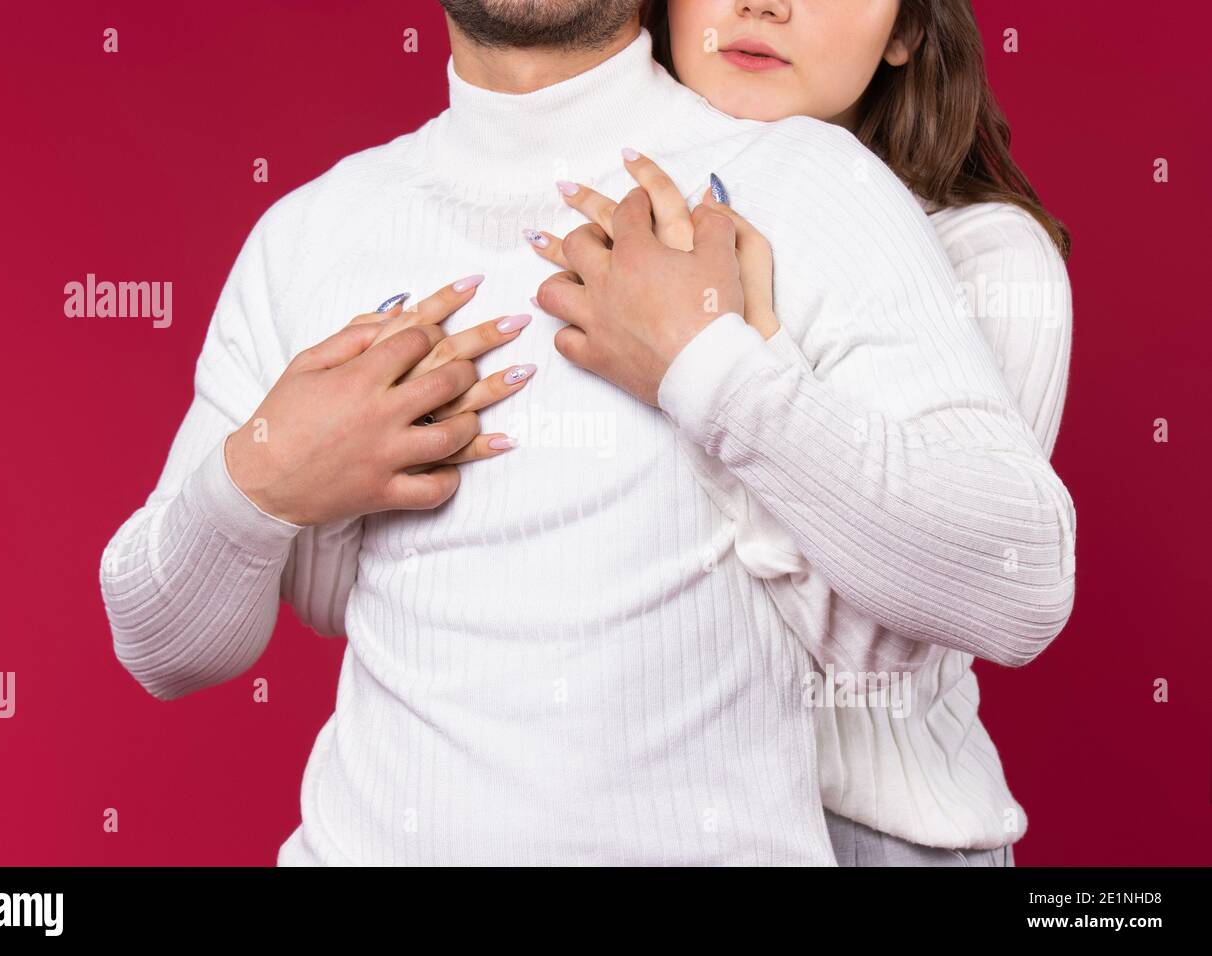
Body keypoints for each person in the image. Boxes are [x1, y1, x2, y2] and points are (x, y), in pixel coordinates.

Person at [99, 0, 1075, 865]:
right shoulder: (306, 232)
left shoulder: (816, 182)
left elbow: (1014, 584)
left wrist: (707, 364)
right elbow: (163, 649)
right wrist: (262, 478)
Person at [524, 0, 1074, 865]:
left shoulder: (987, 261)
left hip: (877, 837)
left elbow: (888, 640)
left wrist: (716, 360)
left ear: (904, 33)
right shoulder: (609, 232)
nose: (764, 5)